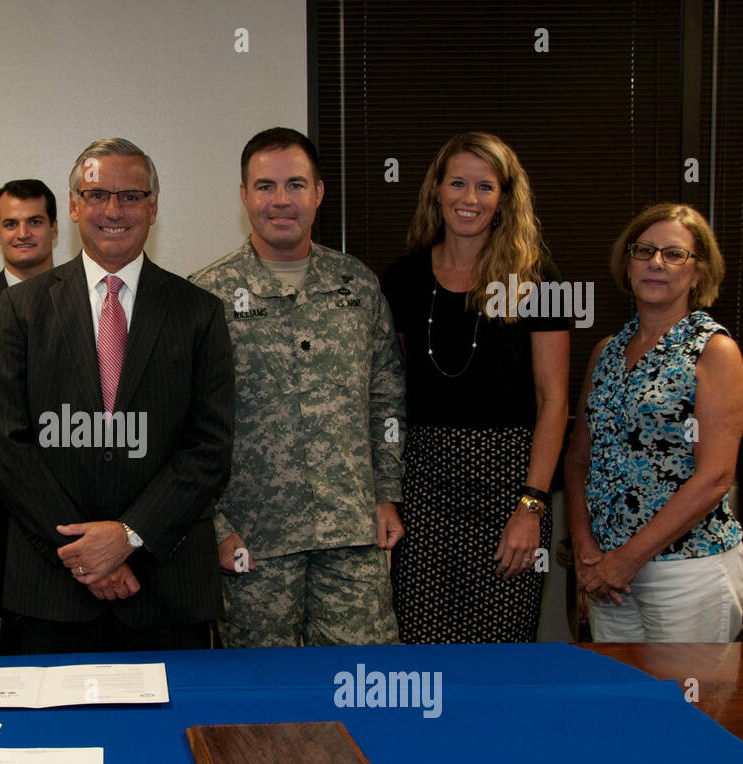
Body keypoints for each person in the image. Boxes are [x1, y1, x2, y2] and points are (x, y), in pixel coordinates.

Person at [0, 137, 235, 653]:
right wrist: (83, 553)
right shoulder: (21, 308)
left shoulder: (198, 311)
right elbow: (10, 447)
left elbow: (208, 448)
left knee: (173, 736)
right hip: (54, 589)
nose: (114, 210)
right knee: (54, 736)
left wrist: (128, 537)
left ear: (153, 207)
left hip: (164, 586)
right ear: (74, 205)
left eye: (131, 196)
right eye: (98, 195)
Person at [190, 127, 404, 647]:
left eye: (295, 185)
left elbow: (386, 398)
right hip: (253, 542)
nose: (280, 200)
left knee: (365, 686)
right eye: (265, 186)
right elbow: (188, 426)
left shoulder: (358, 284)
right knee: (260, 703)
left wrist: (387, 495)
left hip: (351, 535)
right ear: (243, 195)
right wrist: (214, 529)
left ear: (319, 192)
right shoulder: (206, 296)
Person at [382, 132, 568, 643]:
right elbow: (390, 396)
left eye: (485, 186)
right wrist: (387, 496)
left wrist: (531, 507)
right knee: (420, 645)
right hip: (421, 486)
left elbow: (554, 402)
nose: (469, 198)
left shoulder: (539, 281)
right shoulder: (403, 278)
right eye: (457, 183)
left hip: (511, 486)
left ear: (505, 198)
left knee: (499, 656)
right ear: (436, 191)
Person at [564, 204, 743, 642]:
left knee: (690, 707)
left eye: (674, 254)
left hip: (688, 571)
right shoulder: (606, 351)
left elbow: (716, 476)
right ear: (627, 264)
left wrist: (628, 558)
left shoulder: (714, 351)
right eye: (643, 251)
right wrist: (587, 549)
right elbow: (577, 461)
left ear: (699, 272)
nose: (656, 263)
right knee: (626, 707)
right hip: (608, 581)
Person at [0, 179, 59, 652]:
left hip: (73, 501)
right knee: (2, 637)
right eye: (10, 224)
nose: (22, 233)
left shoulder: (85, 299)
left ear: (54, 228)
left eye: (34, 222)